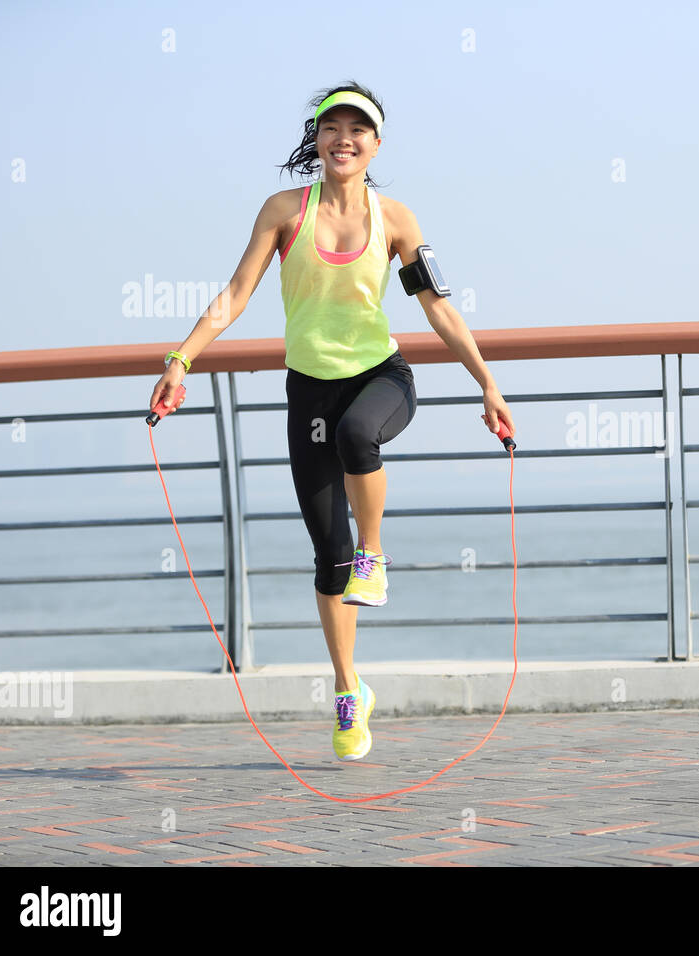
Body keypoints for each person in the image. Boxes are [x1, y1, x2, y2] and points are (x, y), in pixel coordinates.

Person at [148, 81, 515, 762]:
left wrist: (488, 384)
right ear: (316, 139)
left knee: (357, 439)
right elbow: (235, 295)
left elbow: (438, 309)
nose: (343, 140)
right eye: (331, 128)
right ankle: (349, 688)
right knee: (328, 558)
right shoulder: (285, 211)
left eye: (358, 130)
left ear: (377, 145)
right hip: (309, 393)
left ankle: (376, 551)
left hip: (381, 380)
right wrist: (181, 359)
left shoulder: (397, 219)